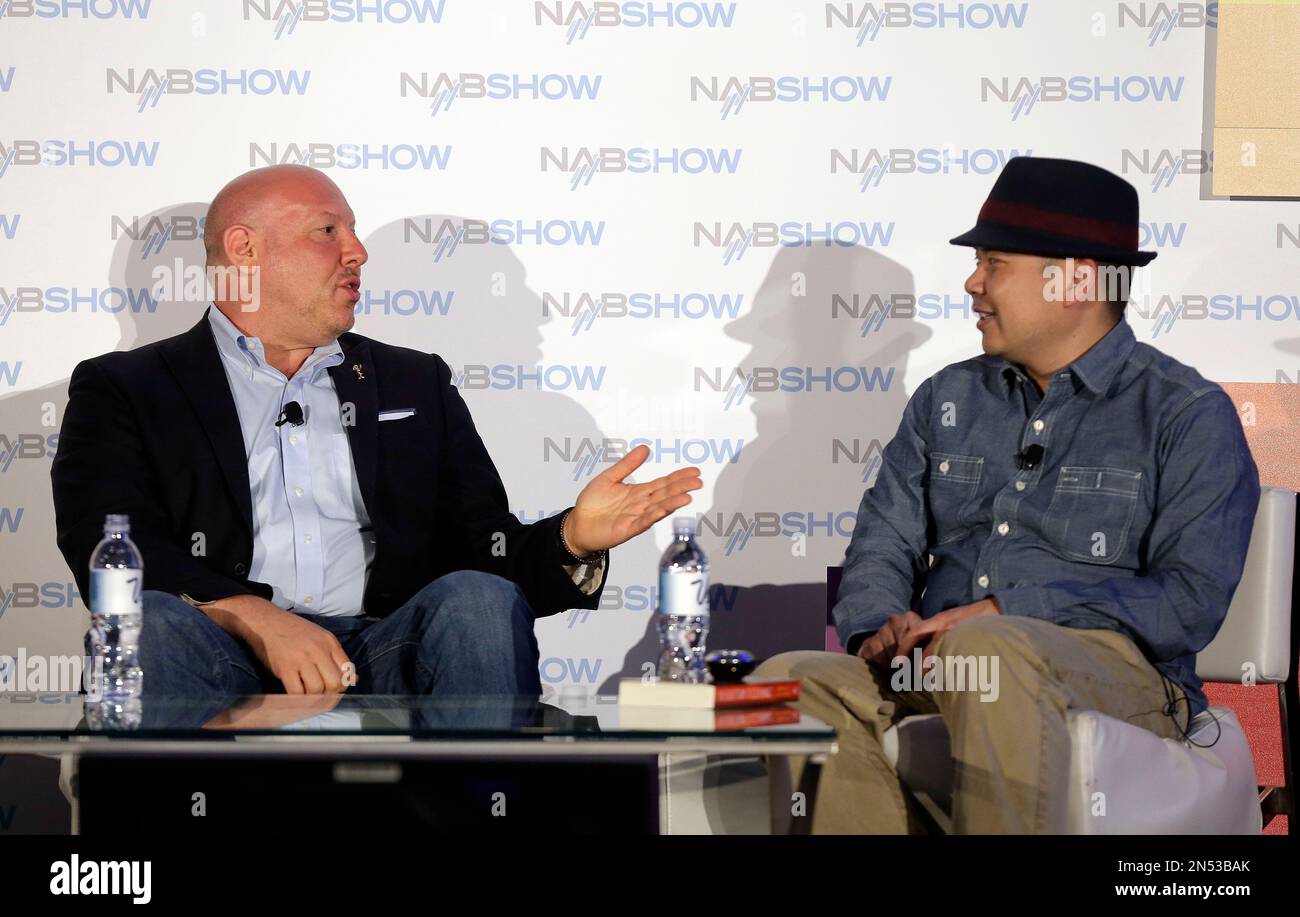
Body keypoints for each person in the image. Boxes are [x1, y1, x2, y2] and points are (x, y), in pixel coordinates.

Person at [51, 165, 702, 699]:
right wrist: (255, 617)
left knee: (477, 600)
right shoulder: (128, 387)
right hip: (218, 654)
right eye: (326, 231)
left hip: (383, 655)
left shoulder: (411, 383)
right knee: (150, 621)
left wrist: (571, 539)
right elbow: (111, 551)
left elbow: (482, 556)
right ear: (245, 249)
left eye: (354, 232)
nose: (356, 252)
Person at [753, 157, 1261, 834]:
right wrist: (880, 626)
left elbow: (1189, 604)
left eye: (994, 263)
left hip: (1118, 679)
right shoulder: (948, 397)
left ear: (1077, 278)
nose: (972, 283)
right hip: (940, 663)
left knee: (986, 649)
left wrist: (1004, 611)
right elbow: (884, 540)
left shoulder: (1184, 412)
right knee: (786, 681)